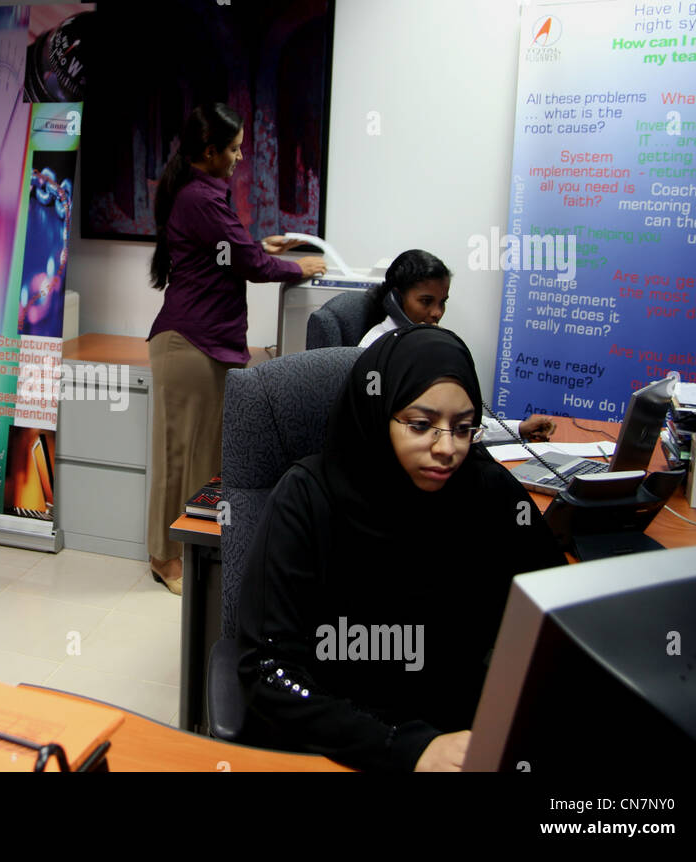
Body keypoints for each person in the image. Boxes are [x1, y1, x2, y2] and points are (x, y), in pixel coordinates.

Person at [236, 325, 567, 771]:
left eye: (464, 428)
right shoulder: (309, 498)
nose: (446, 448)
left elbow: (555, 616)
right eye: (421, 425)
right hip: (339, 739)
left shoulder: (486, 491)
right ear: (378, 412)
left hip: (462, 737)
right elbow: (266, 670)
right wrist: (406, 749)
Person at [146, 103, 328, 595]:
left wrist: (258, 248)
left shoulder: (202, 194)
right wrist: (297, 268)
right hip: (190, 344)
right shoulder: (201, 198)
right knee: (179, 457)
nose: (239, 155)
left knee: (206, 457)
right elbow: (248, 264)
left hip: (207, 344)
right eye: (232, 148)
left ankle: (191, 551)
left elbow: (230, 253)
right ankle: (165, 559)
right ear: (208, 152)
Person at [360, 249, 556, 442]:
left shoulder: (427, 344)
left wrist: (519, 428)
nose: (437, 313)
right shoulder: (374, 349)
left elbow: (456, 422)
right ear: (396, 299)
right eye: (426, 301)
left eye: (442, 302)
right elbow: (373, 426)